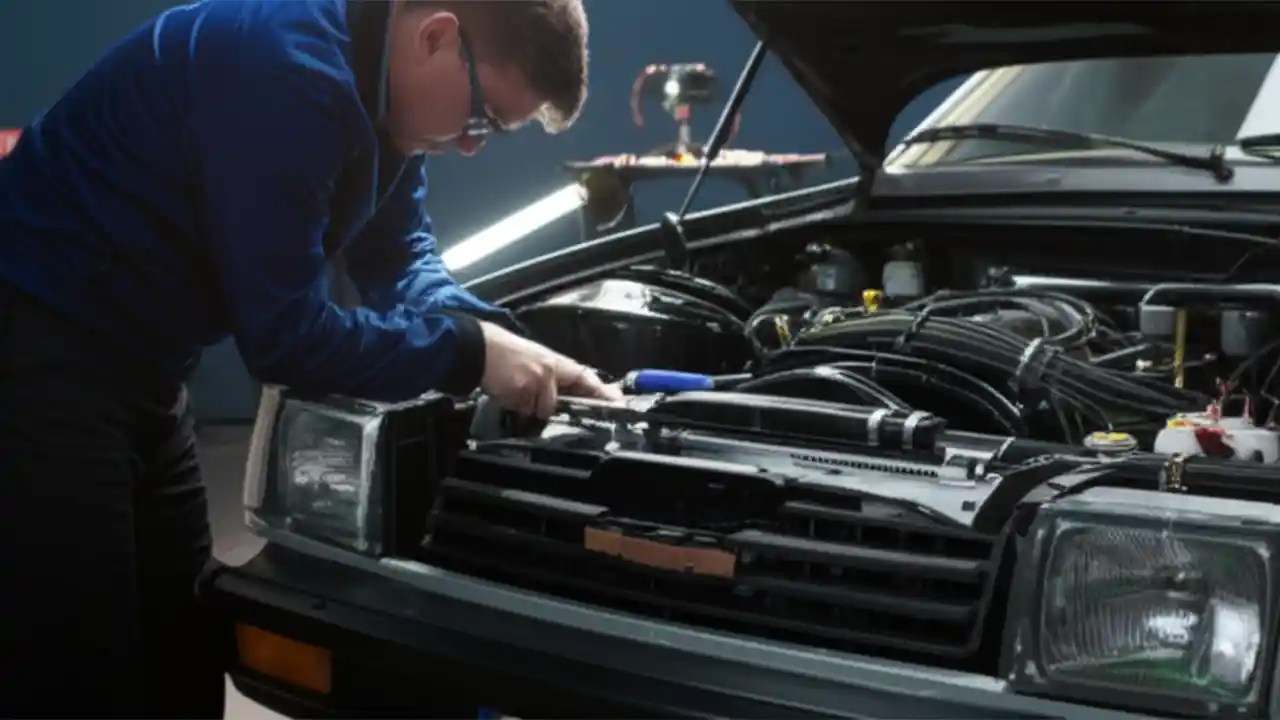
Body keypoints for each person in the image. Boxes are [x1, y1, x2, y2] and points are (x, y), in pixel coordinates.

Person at [0, 0, 616, 717]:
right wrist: (470, 355)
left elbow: (401, 255)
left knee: (184, 654)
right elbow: (285, 337)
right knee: (78, 673)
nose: (473, 146)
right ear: (436, 36)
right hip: (38, 346)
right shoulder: (287, 71)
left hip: (143, 368)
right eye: (483, 120)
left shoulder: (387, 97)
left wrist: (509, 341)